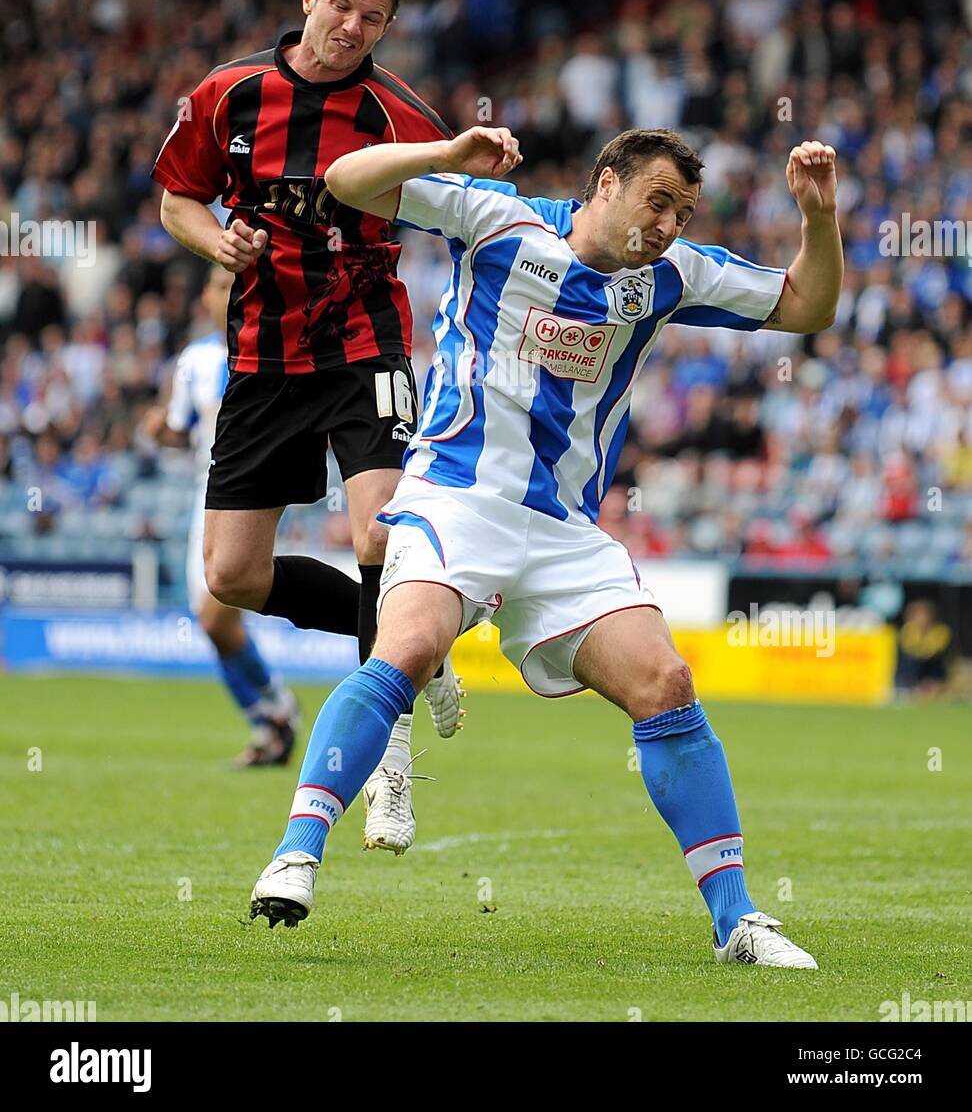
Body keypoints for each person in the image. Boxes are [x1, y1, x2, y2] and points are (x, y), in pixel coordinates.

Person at [250, 123, 844, 968]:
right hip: (459, 497)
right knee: (408, 645)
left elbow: (809, 306)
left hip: (564, 531)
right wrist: (445, 156)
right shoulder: (499, 220)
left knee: (666, 681)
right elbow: (345, 179)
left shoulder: (671, 277)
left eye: (683, 209)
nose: (671, 223)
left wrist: (818, 218)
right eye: (658, 200)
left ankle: (737, 923)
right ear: (607, 182)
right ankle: (297, 852)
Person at [154, 0, 462, 851]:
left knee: (379, 533)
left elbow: (467, 217)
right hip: (261, 356)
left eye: (373, 19)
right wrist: (222, 242)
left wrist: (472, 161)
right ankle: (423, 640)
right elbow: (176, 200)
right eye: (341, 7)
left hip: (365, 344)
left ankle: (390, 769)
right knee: (232, 580)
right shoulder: (228, 93)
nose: (352, 28)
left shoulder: (401, 112)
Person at [143, 265, 300, 766]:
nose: (224, 293)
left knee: (215, 613)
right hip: (207, 493)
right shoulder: (195, 361)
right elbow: (177, 429)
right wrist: (156, 429)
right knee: (212, 621)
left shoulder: (273, 351)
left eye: (233, 283)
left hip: (258, 493)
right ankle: (272, 717)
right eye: (215, 284)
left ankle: (277, 713)